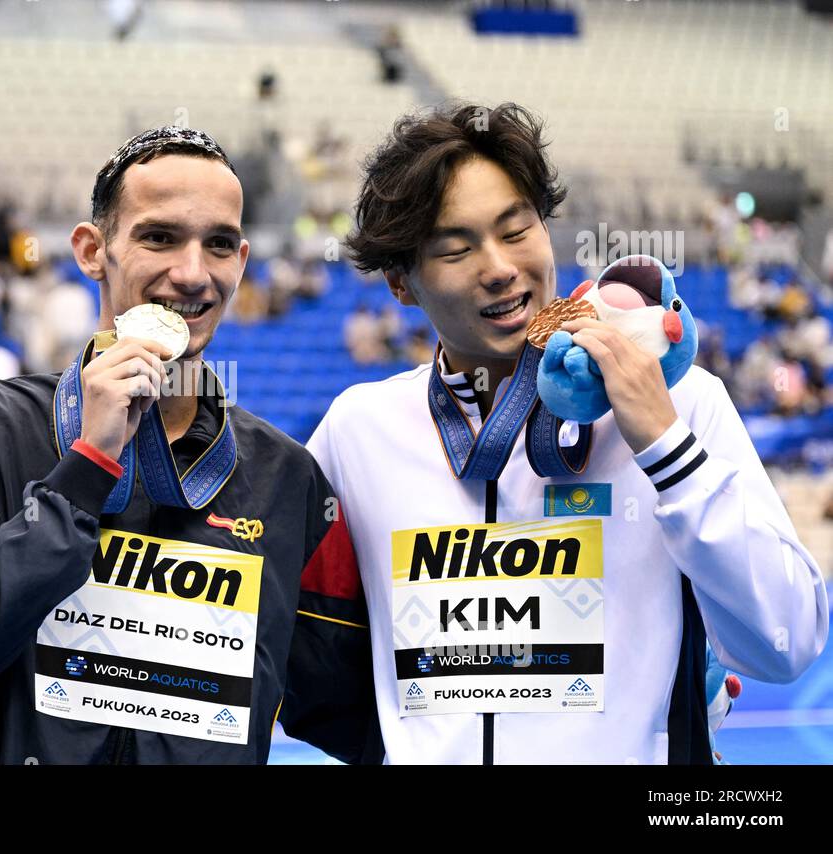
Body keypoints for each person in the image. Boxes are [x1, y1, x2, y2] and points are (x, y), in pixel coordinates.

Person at [305, 102, 828, 764]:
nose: (498, 266)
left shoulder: (681, 402)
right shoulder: (359, 430)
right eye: (456, 247)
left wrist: (667, 450)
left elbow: (789, 644)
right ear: (402, 283)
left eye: (516, 229)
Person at [0, 126, 375, 764]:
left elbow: (354, 709)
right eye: (160, 237)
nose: (192, 274)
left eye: (220, 245)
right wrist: (86, 468)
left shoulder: (287, 478)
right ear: (93, 251)